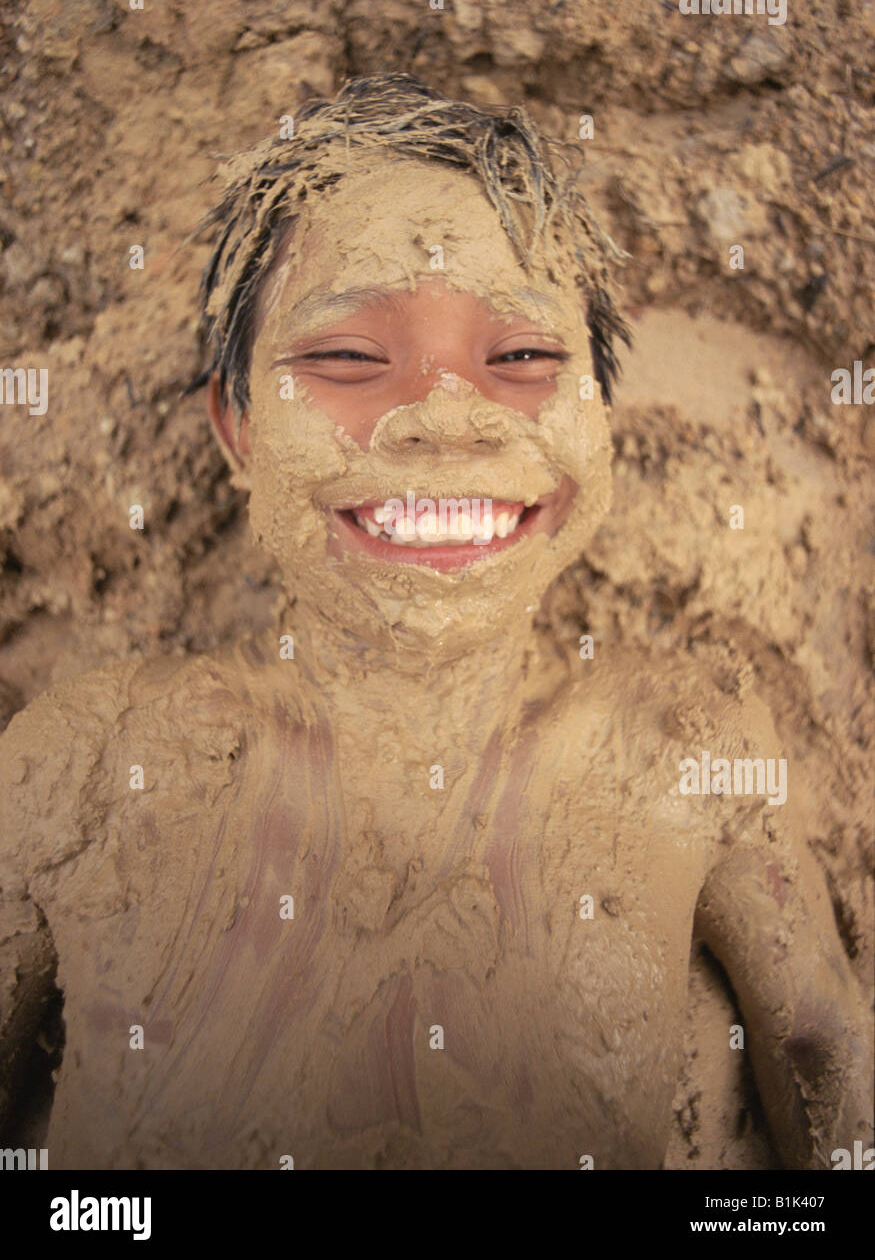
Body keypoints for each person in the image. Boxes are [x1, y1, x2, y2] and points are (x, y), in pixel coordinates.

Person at [0, 75, 870, 1169]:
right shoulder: (77, 771)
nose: (445, 413)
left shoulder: (687, 753)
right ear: (238, 430)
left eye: (521, 358)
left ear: (598, 417)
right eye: (350, 359)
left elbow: (821, 1056)